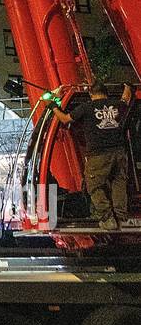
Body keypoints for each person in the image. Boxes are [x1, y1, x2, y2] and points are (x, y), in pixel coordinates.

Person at [49, 80, 134, 229]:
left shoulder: (86, 108)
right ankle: (121, 217)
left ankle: (107, 218)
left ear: (91, 94)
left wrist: (53, 103)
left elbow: (65, 119)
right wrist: (127, 86)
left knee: (94, 185)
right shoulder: (117, 105)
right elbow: (126, 99)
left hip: (98, 154)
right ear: (105, 93)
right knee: (119, 183)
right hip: (119, 152)